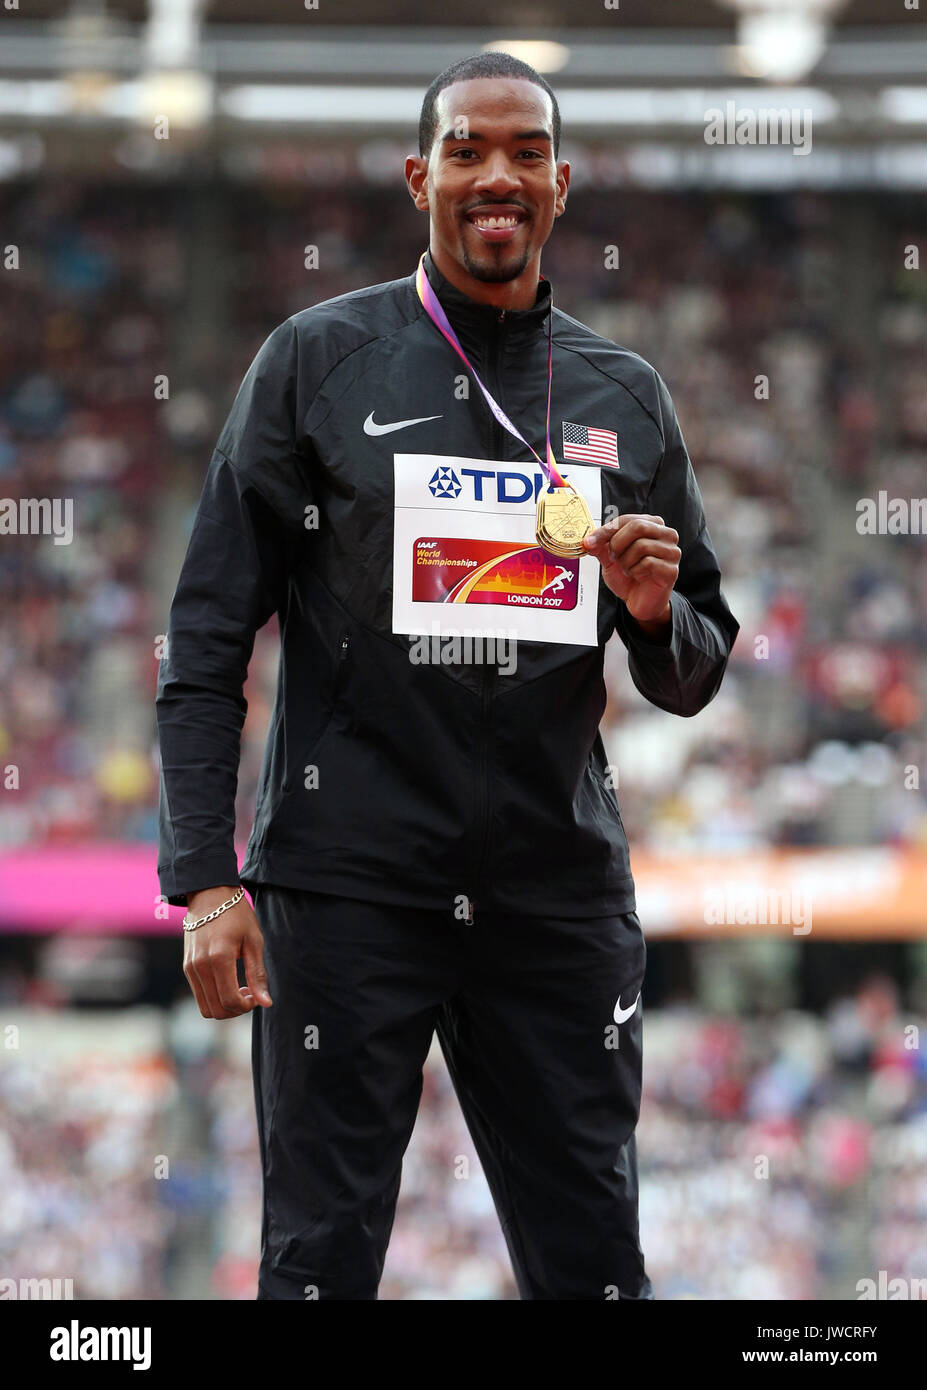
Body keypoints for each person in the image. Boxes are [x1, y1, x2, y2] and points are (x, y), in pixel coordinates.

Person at [156, 51, 740, 1300]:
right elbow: (206, 637)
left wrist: (652, 613)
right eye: (469, 150)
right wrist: (205, 880)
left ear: (562, 185)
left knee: (594, 1268)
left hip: (553, 895)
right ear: (420, 176)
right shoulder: (316, 362)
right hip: (349, 886)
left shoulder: (623, 397)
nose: (498, 176)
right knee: (318, 1264)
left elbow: (696, 665)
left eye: (526, 154)